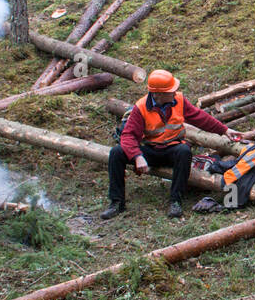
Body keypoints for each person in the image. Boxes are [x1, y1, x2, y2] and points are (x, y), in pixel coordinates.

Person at [101, 69, 243, 220]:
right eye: (171, 90)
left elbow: (200, 117)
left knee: (184, 151)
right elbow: (128, 135)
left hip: (172, 150)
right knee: (116, 152)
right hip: (150, 151)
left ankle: (176, 201)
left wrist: (224, 130)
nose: (175, 92)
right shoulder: (141, 108)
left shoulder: (179, 100)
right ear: (158, 94)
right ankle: (116, 203)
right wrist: (137, 156)